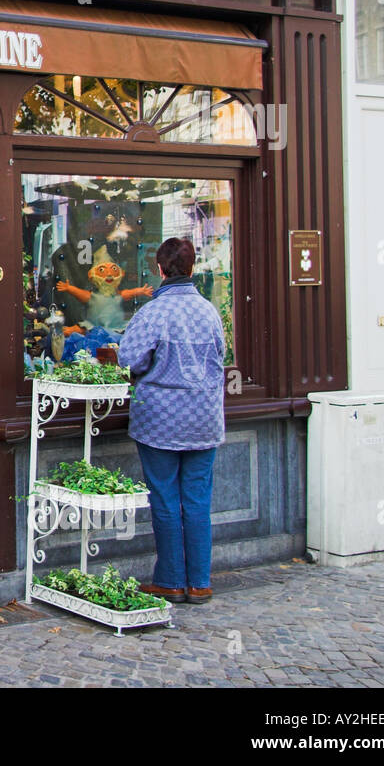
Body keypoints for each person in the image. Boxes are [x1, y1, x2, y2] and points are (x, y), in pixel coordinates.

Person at [117, 237, 226, 605]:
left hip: (161, 419)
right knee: (196, 500)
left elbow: (128, 360)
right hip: (204, 418)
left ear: (159, 270)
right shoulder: (209, 311)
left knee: (164, 499)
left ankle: (170, 581)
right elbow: (220, 358)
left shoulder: (153, 313)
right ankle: (199, 582)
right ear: (192, 268)